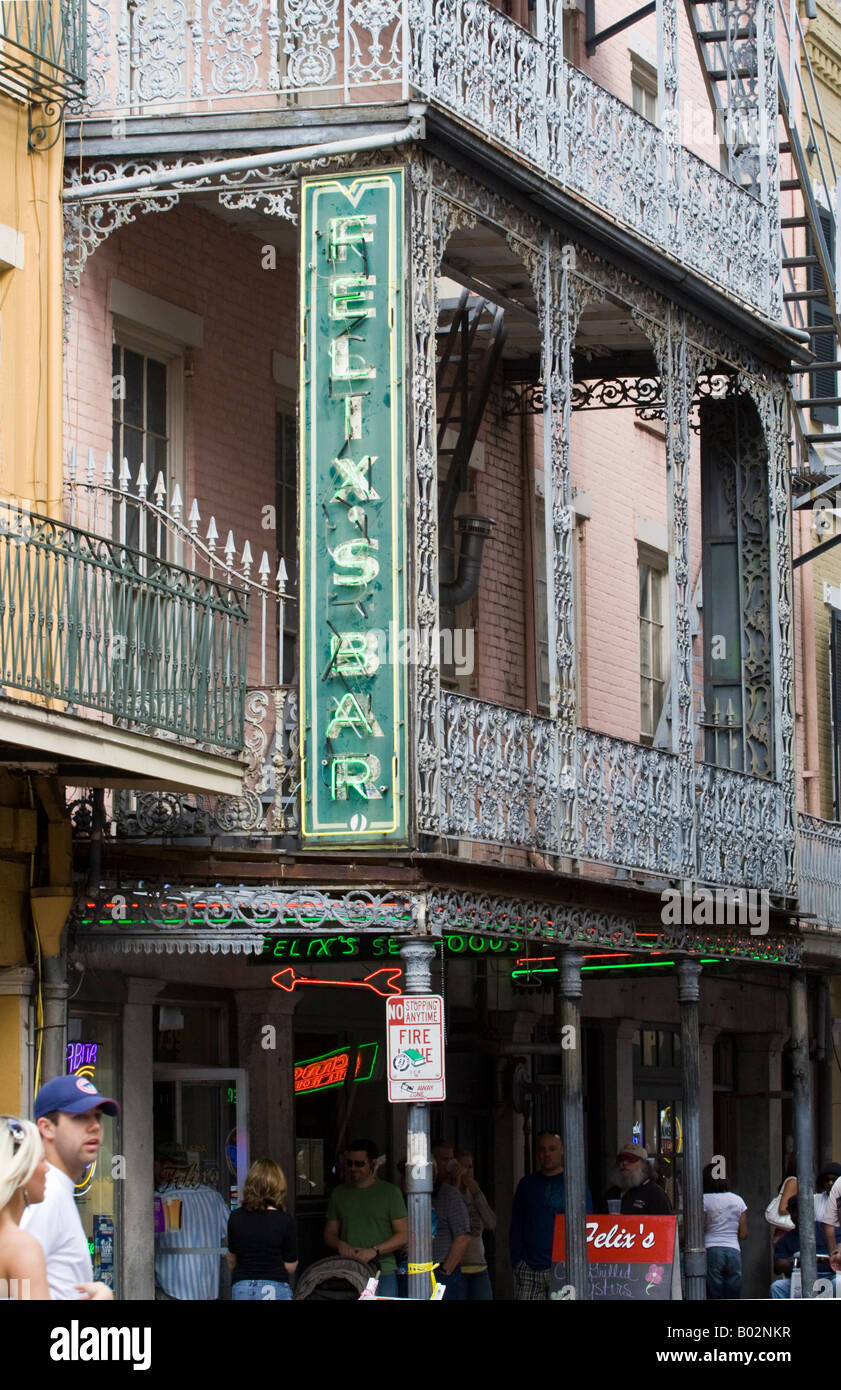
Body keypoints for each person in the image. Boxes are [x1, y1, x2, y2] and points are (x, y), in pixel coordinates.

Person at [20, 1076, 117, 1300]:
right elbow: (9, 1288)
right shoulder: (44, 1195)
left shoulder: (55, 1190)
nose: (95, 1126)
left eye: (98, 1116)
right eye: (80, 1117)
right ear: (46, 1127)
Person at [510, 1131, 594, 1300]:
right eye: (542, 1149)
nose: (547, 1154)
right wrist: (517, 1261)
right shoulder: (527, 1184)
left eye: (552, 1149)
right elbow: (516, 1224)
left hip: (564, 1268)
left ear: (562, 1150)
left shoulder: (575, 1183)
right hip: (530, 1268)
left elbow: (589, 1224)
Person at [324, 1138, 407, 1298]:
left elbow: (403, 1235)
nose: (353, 1168)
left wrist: (374, 1251)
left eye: (360, 1164)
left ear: (373, 1163)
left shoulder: (390, 1193)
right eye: (349, 1163)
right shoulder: (339, 1193)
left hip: (383, 1271)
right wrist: (340, 1244)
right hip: (349, 1271)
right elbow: (329, 1233)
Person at [154, 1144, 230, 1300]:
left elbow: (151, 1243)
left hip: (172, 1290)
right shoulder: (213, 1197)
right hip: (208, 1290)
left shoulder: (162, 1200)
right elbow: (229, 1238)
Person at [226, 1157, 297, 1300]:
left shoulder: (235, 1217)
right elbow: (291, 1267)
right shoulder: (285, 1220)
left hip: (243, 1288)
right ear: (278, 1187)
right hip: (276, 1288)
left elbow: (232, 1261)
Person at [771, 1195, 839, 1297]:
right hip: (799, 1279)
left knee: (839, 1282)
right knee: (777, 1287)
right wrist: (796, 1262)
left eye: (801, 1210)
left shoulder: (827, 1230)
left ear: (810, 1211)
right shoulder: (785, 1240)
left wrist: (833, 1257)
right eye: (793, 1212)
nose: (797, 1215)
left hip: (829, 1276)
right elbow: (777, 1267)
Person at [431, 1139, 470, 1301]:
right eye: (445, 1160)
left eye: (451, 1159)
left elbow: (463, 1236)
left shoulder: (450, 1195)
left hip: (441, 1269)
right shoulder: (411, 1193)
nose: (451, 1165)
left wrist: (446, 1270)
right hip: (416, 1269)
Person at [454, 1147, 495, 1300]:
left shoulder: (476, 1193)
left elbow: (491, 1222)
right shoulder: (450, 1193)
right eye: (462, 1166)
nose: (467, 1171)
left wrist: (476, 1192)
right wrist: (456, 1185)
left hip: (479, 1266)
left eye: (470, 1166)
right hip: (457, 1267)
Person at [702, 1161, 747, 1300]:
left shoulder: (704, 1200)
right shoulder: (738, 1200)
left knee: (714, 1293)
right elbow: (743, 1233)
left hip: (711, 1249)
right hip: (734, 1250)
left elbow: (700, 1228)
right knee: (733, 1293)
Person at [610, 1141, 672, 1215]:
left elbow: (664, 1224)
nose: (624, 1163)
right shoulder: (612, 1193)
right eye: (621, 1159)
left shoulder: (655, 1194)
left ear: (643, 1165)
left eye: (631, 1160)